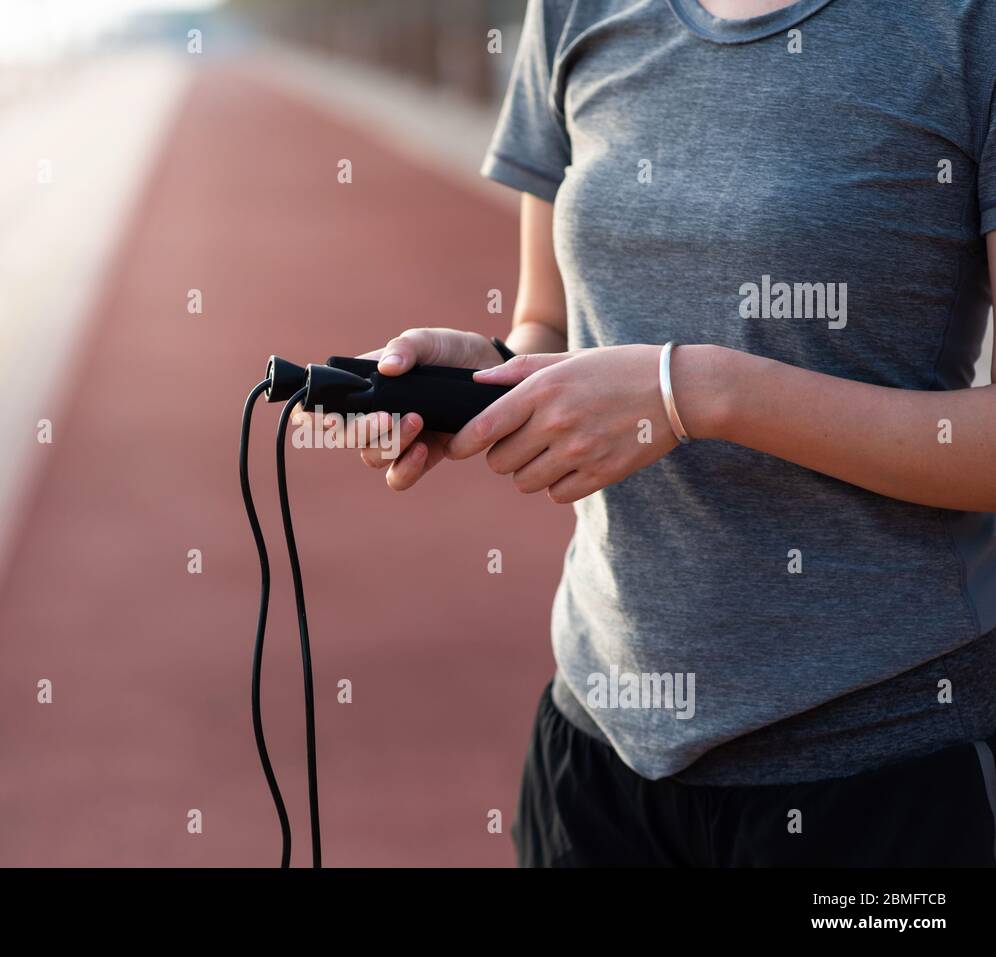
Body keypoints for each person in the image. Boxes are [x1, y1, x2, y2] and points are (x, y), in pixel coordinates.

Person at [355, 0, 996, 865]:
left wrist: (699, 392)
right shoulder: (576, 12)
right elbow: (547, 322)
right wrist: (477, 381)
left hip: (882, 769)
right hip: (598, 752)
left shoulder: (965, 25)